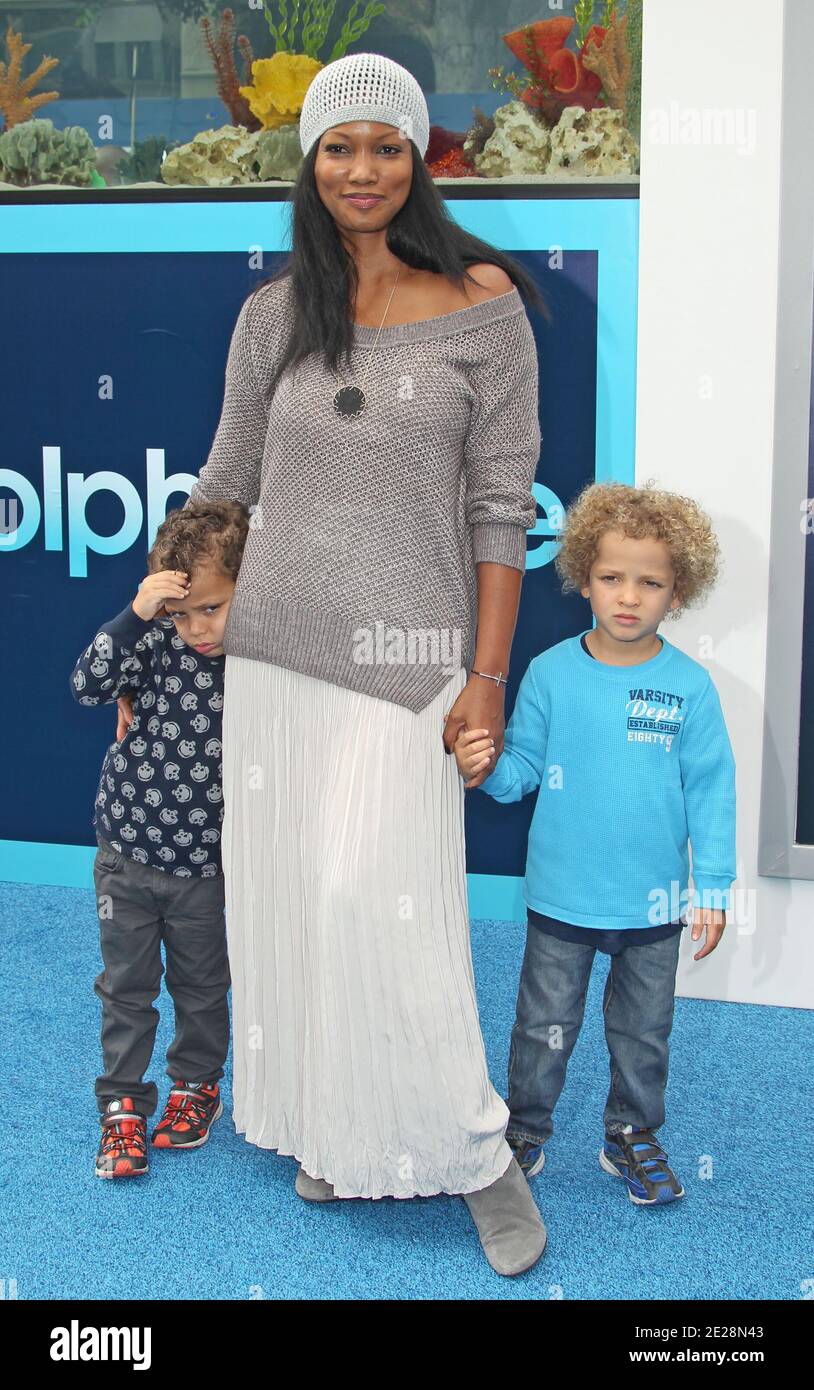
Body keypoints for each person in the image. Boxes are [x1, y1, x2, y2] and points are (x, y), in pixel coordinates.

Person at [182, 51, 548, 1276]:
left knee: (376, 907)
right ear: (310, 160)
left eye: (386, 145)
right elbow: (227, 480)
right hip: (277, 658)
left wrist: (484, 678)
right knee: (297, 908)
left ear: (417, 158)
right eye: (339, 146)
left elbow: (501, 509)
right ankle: (340, 1129)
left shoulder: (482, 305)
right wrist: (167, 610)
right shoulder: (273, 315)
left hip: (412, 661)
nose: (362, 168)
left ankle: (479, 1158)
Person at [454, 481, 737, 1206]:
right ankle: (525, 1131)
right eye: (612, 577)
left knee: (644, 1033)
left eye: (651, 583)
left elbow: (711, 793)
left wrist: (712, 889)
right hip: (562, 896)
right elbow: (519, 772)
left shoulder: (691, 688)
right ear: (584, 578)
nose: (629, 597)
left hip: (654, 906)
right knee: (542, 1026)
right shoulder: (550, 674)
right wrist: (485, 767)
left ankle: (632, 1135)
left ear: (678, 593)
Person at [69, 500, 249, 1179]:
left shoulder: (258, 663)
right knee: (127, 987)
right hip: (126, 855)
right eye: (181, 613)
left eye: (212, 608)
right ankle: (121, 1105)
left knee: (202, 986)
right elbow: (87, 685)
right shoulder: (151, 640)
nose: (196, 627)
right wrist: (137, 615)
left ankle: (196, 1085)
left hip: (204, 868)